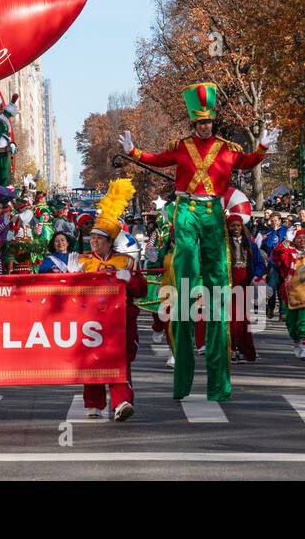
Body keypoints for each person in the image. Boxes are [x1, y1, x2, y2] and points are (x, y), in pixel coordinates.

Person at [119, 81, 278, 402]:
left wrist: (261, 148)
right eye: (200, 123)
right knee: (185, 283)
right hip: (188, 211)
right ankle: (183, 375)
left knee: (219, 288)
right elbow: (157, 158)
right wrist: (132, 151)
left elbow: (246, 162)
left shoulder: (227, 148)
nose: (205, 127)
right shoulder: (181, 146)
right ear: (194, 123)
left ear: (212, 123)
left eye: (208, 122)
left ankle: (219, 385)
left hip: (212, 213)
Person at [66, 179, 146, 421]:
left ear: (110, 241)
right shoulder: (81, 260)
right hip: (90, 321)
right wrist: (70, 278)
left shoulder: (126, 262)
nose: (94, 241)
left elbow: (142, 290)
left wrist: (128, 280)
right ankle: (94, 403)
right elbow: (66, 296)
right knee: (91, 361)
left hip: (120, 321)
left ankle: (122, 401)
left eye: (100, 238)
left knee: (119, 361)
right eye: (92, 237)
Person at [275, 229, 305, 360]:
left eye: (304, 238)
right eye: (298, 238)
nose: (302, 241)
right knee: (291, 324)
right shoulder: (289, 252)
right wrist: (286, 241)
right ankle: (297, 341)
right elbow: (277, 256)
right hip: (290, 294)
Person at [226, 214, 262, 362]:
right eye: (232, 226)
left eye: (238, 225)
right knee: (233, 318)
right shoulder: (225, 245)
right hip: (229, 284)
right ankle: (232, 348)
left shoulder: (250, 244)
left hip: (245, 283)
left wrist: (256, 276)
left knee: (244, 319)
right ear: (228, 228)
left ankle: (245, 349)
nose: (236, 228)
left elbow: (260, 263)